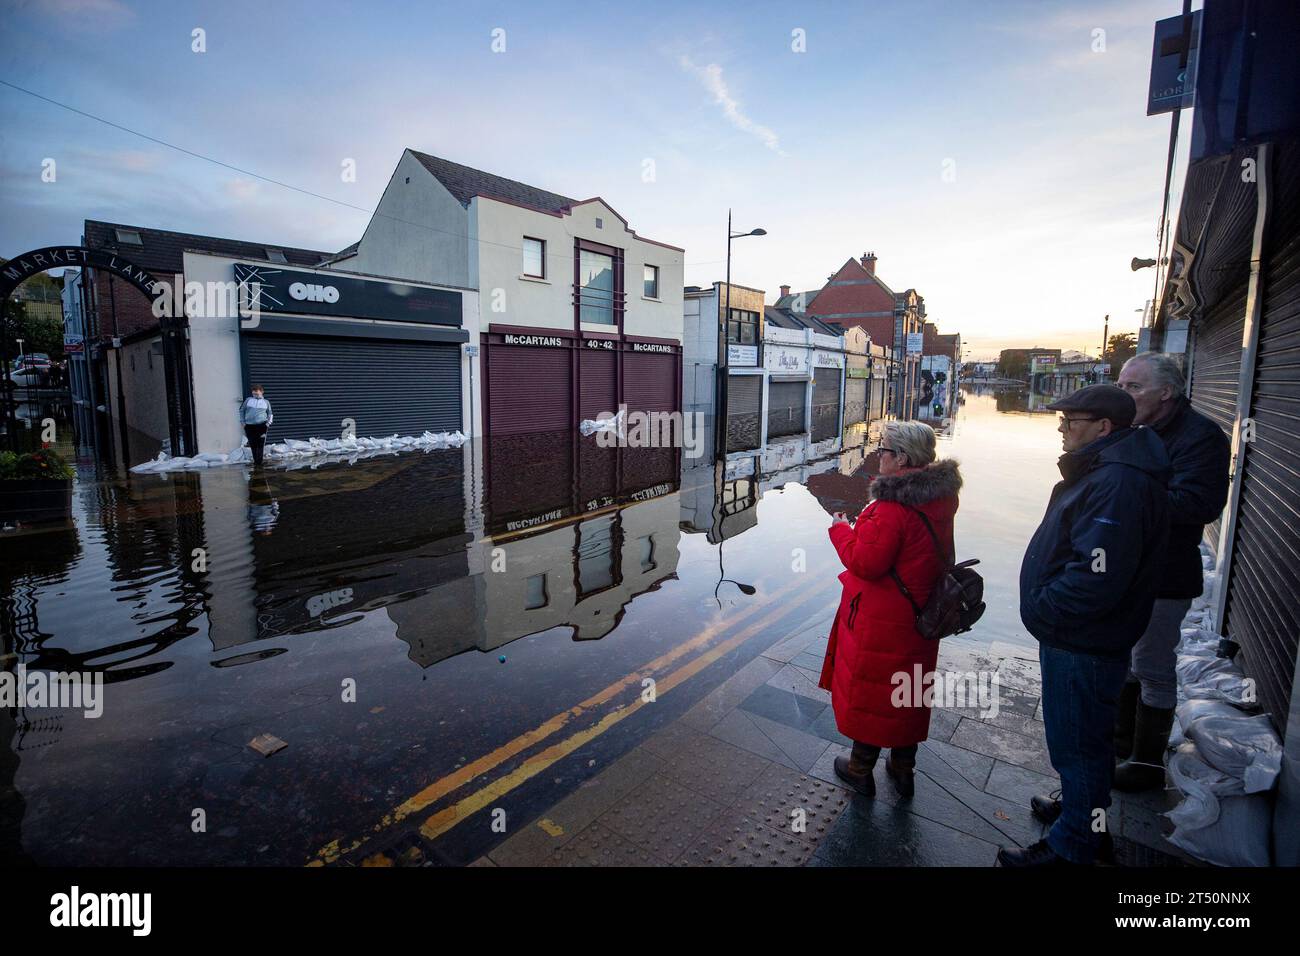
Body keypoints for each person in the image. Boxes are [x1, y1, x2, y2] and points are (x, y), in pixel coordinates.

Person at [1001, 384, 1170, 867]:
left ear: (1104, 427)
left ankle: (1073, 847)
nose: (1061, 429)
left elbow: (1097, 577)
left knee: (1077, 746)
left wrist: (1047, 608)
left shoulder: (1117, 482)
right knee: (1083, 742)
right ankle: (1084, 819)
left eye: (1070, 421)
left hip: (1081, 640)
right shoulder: (1113, 471)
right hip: (1084, 637)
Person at [818, 420, 962, 799]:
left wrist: (840, 529)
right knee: (908, 692)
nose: (876, 454)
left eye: (882, 449)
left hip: (884, 618)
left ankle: (859, 769)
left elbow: (865, 563)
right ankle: (903, 769)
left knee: (874, 691)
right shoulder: (941, 496)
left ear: (900, 458)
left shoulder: (890, 507)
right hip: (922, 612)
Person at [1109, 353, 1230, 791]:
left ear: (1167, 392)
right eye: (1121, 385)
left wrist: (1125, 500)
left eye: (1134, 387)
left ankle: (1146, 764)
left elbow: (1199, 504)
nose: (1125, 395)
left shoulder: (1202, 437)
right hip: (1127, 568)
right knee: (1121, 655)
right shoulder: (1137, 432)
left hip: (1165, 574)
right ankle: (1120, 742)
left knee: (1152, 664)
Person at [239, 384, 273, 468]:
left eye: (257, 394)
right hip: (249, 426)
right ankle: (255, 462)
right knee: (253, 444)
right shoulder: (248, 400)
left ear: (262, 392)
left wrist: (268, 423)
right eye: (254, 394)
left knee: (260, 444)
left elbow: (270, 413)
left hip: (262, 426)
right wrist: (242, 422)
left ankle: (260, 462)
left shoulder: (266, 402)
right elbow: (241, 410)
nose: (255, 396)